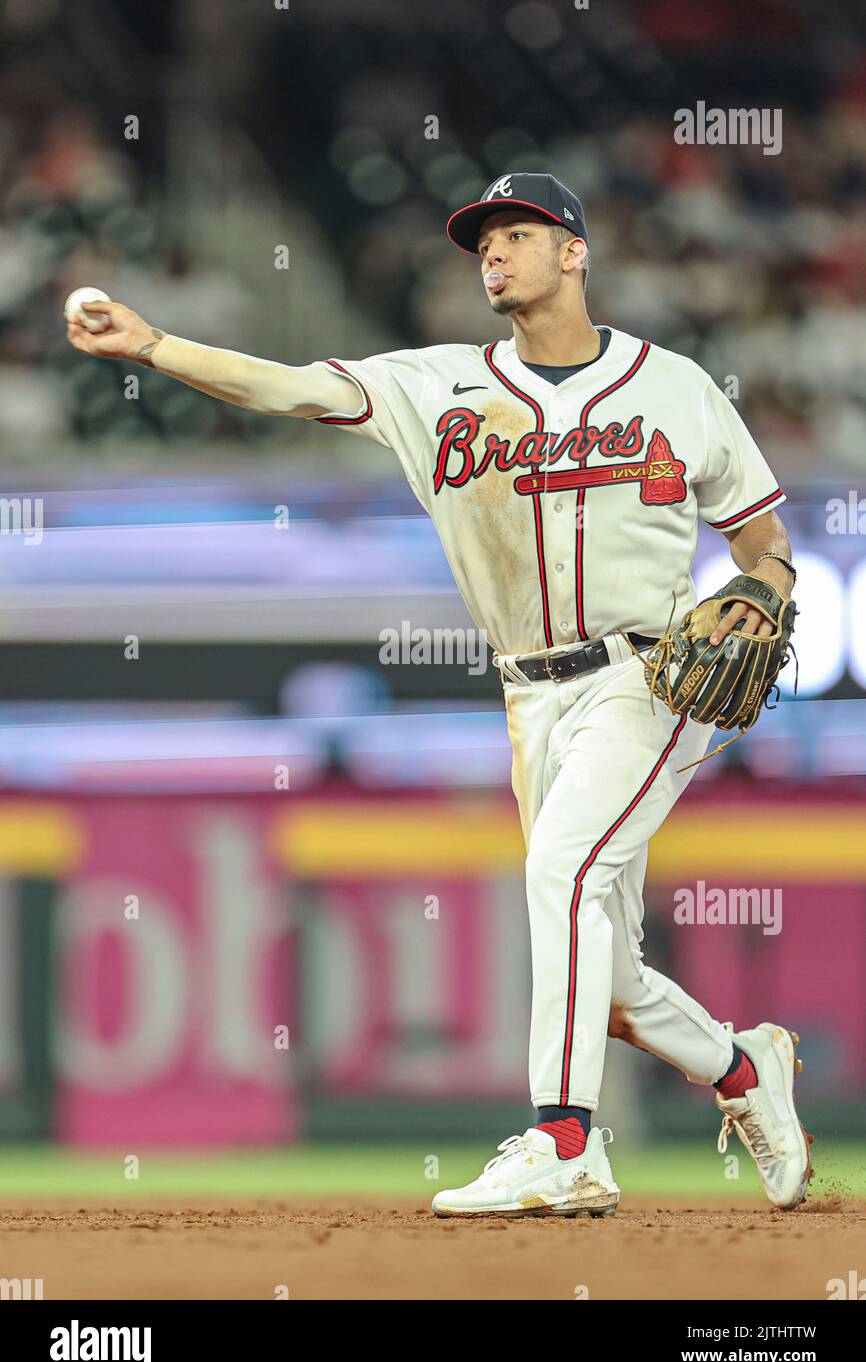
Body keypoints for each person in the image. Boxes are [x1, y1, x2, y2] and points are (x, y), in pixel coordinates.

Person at [66, 172, 811, 1218]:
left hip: (648, 679)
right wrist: (153, 348)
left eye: (517, 233)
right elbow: (286, 387)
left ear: (575, 253)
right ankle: (741, 1067)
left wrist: (759, 590)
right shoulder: (435, 384)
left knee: (559, 873)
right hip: (525, 696)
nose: (492, 254)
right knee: (603, 978)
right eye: (482, 242)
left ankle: (563, 1141)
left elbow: (764, 542)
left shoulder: (674, 385)